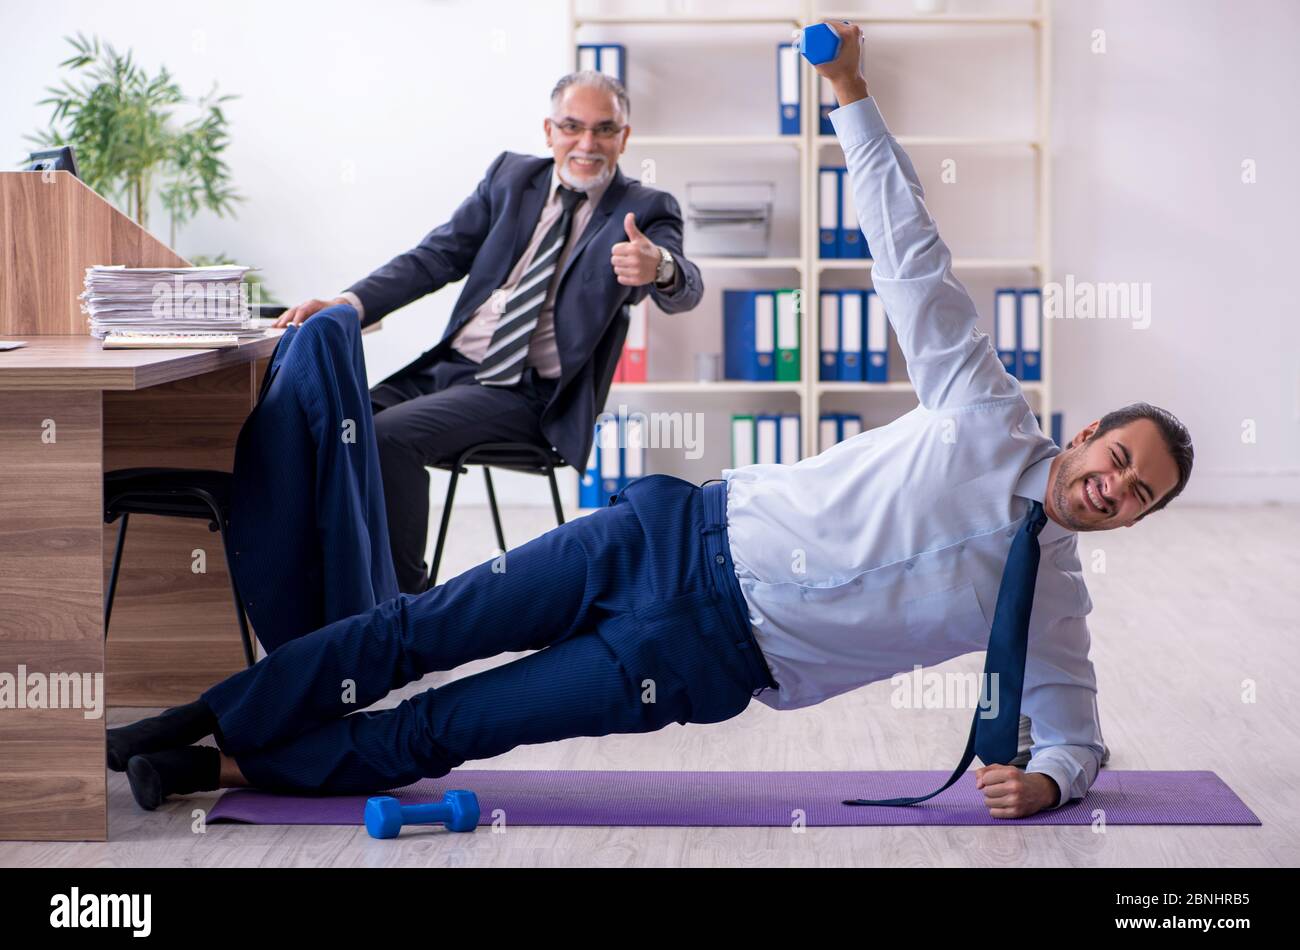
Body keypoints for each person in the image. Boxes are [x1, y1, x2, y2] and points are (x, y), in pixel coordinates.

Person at [107, 22, 1192, 820]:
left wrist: (1049, 780)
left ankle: (222, 768)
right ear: (1090, 430)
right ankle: (203, 716)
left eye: (1137, 495)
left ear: (1134, 520)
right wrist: (848, 93)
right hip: (668, 533)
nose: (1114, 486)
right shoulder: (984, 408)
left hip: (699, 654)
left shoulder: (1053, 601)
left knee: (459, 726)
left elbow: (1078, 734)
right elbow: (911, 255)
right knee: (416, 633)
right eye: (1120, 459)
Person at [274, 70, 704, 593]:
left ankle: (405, 609)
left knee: (387, 439)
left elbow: (687, 286)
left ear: (624, 137)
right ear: (548, 130)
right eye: (572, 126)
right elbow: (437, 257)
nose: (587, 144)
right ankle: (340, 588)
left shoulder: (646, 209)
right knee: (331, 425)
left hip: (530, 396)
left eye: (604, 130)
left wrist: (657, 266)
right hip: (452, 373)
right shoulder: (510, 178)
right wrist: (349, 302)